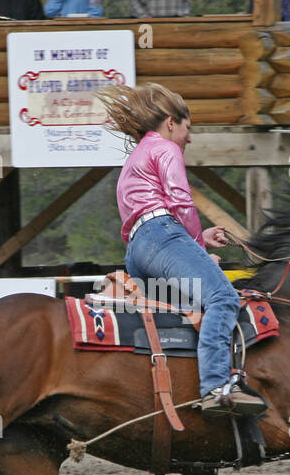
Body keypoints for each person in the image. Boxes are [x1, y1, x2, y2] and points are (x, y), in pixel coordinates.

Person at [95, 82, 263, 416]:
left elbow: (153, 211)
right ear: (172, 122)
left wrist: (199, 241)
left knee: (181, 315)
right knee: (223, 298)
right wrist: (199, 249)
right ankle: (216, 386)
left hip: (140, 249)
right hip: (162, 236)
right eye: (189, 128)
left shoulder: (136, 156)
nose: (190, 137)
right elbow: (181, 202)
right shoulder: (166, 148)